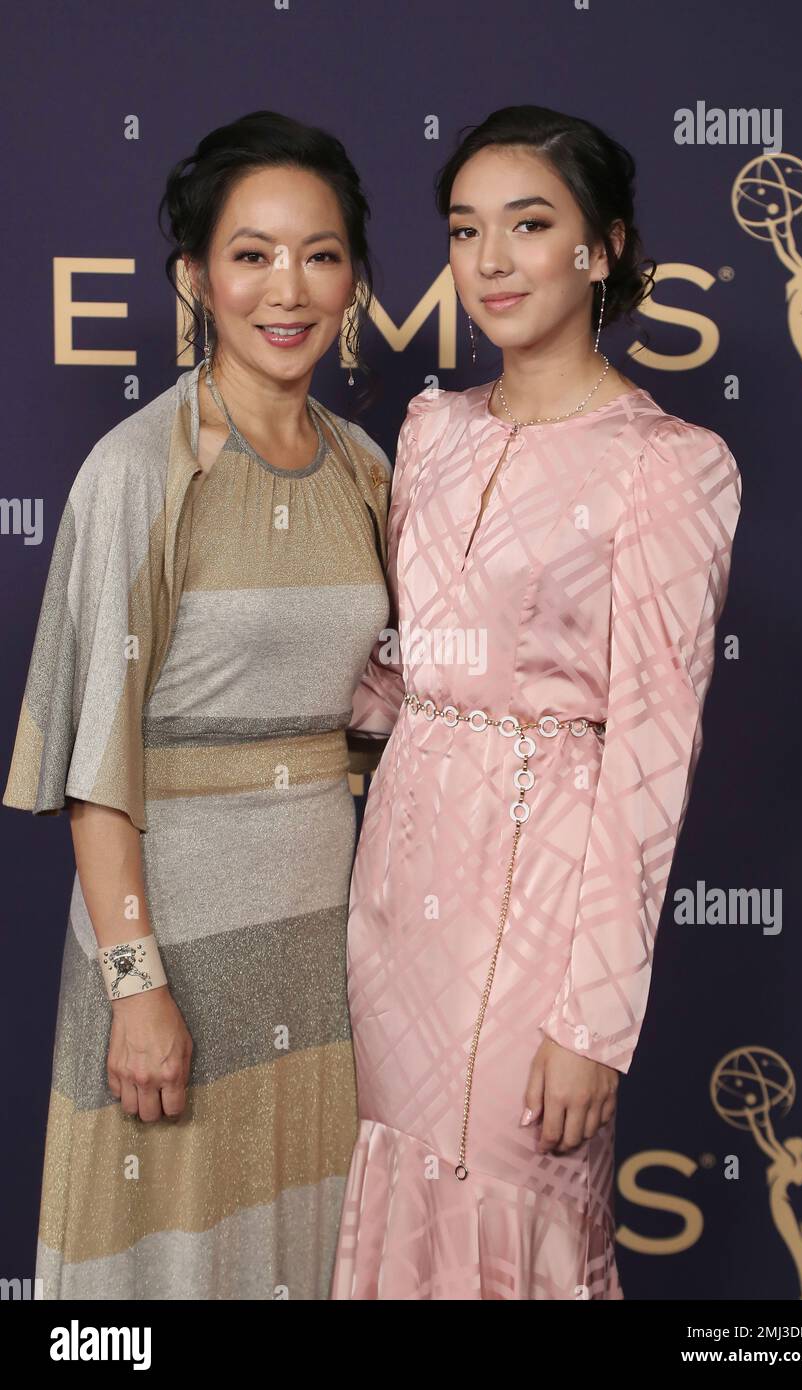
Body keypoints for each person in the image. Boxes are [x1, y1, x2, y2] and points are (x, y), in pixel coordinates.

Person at [331, 105, 743, 1299]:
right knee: (392, 1173)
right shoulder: (430, 432)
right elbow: (409, 667)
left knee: (512, 1192)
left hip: (542, 897)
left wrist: (594, 1021)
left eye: (528, 224)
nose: (491, 261)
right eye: (465, 231)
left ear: (601, 248)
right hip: (398, 890)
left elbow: (651, 759)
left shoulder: (669, 464)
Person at [2, 110, 394, 1300]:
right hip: (172, 964)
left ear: (353, 279)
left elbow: (381, 713)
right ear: (194, 276)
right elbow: (92, 771)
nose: (288, 287)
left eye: (320, 254)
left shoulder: (369, 464)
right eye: (252, 253)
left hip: (323, 961)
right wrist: (138, 990)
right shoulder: (139, 469)